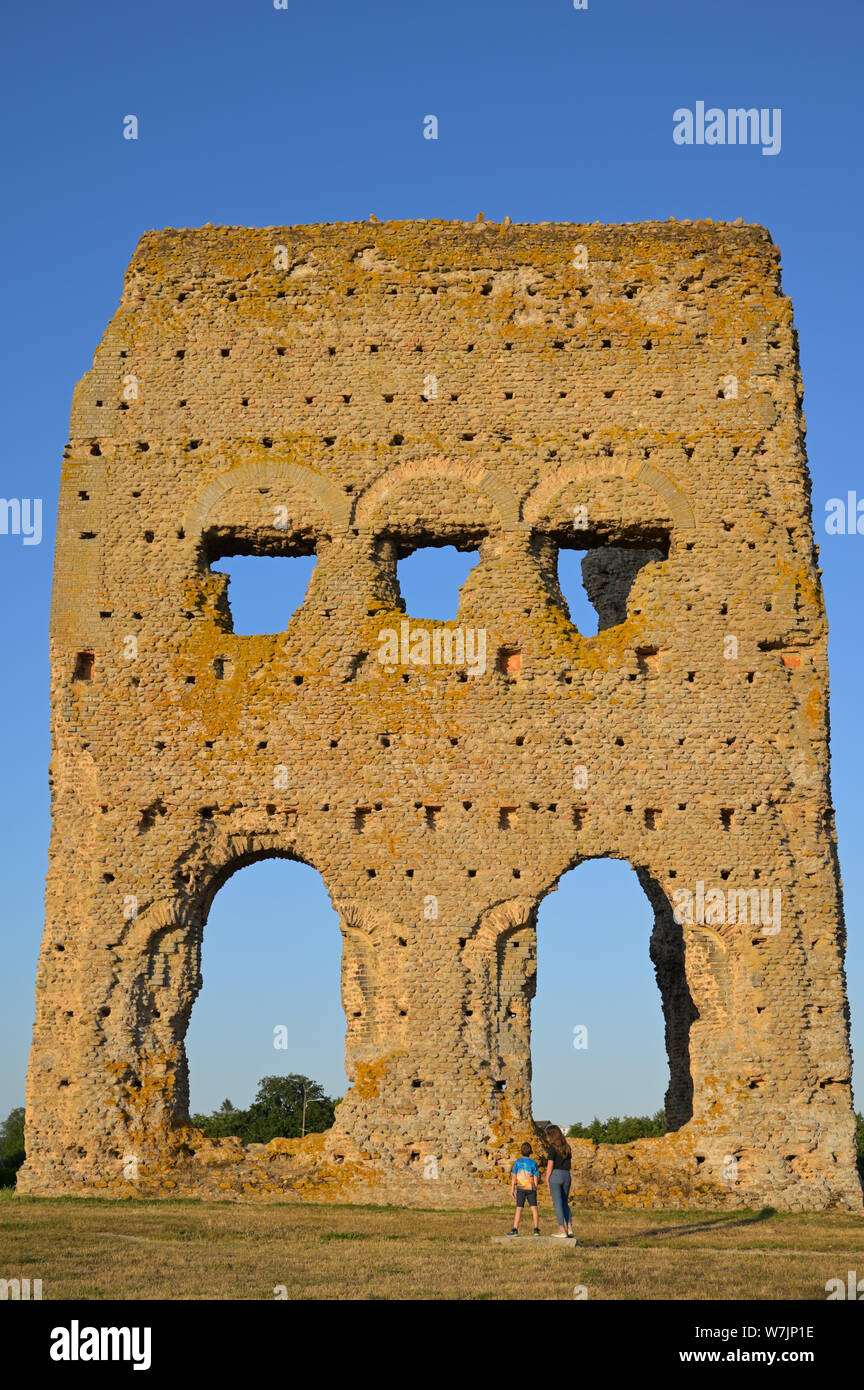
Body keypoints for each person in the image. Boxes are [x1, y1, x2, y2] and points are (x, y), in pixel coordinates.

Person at [544, 1124, 575, 1240]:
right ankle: (570, 1227)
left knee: (557, 1204)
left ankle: (562, 1229)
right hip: (567, 1175)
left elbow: (550, 1165)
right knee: (564, 1203)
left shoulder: (552, 1148)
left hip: (556, 1175)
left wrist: (547, 1179)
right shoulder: (567, 1147)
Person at [507, 1142, 541, 1235]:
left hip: (520, 1188)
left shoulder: (517, 1162)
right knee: (534, 1208)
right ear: (530, 1151)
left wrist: (512, 1189)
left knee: (519, 1208)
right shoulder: (533, 1163)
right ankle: (536, 1229)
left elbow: (514, 1177)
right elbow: (535, 1177)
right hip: (531, 1188)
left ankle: (515, 1229)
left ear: (521, 1151)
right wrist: (536, 1187)